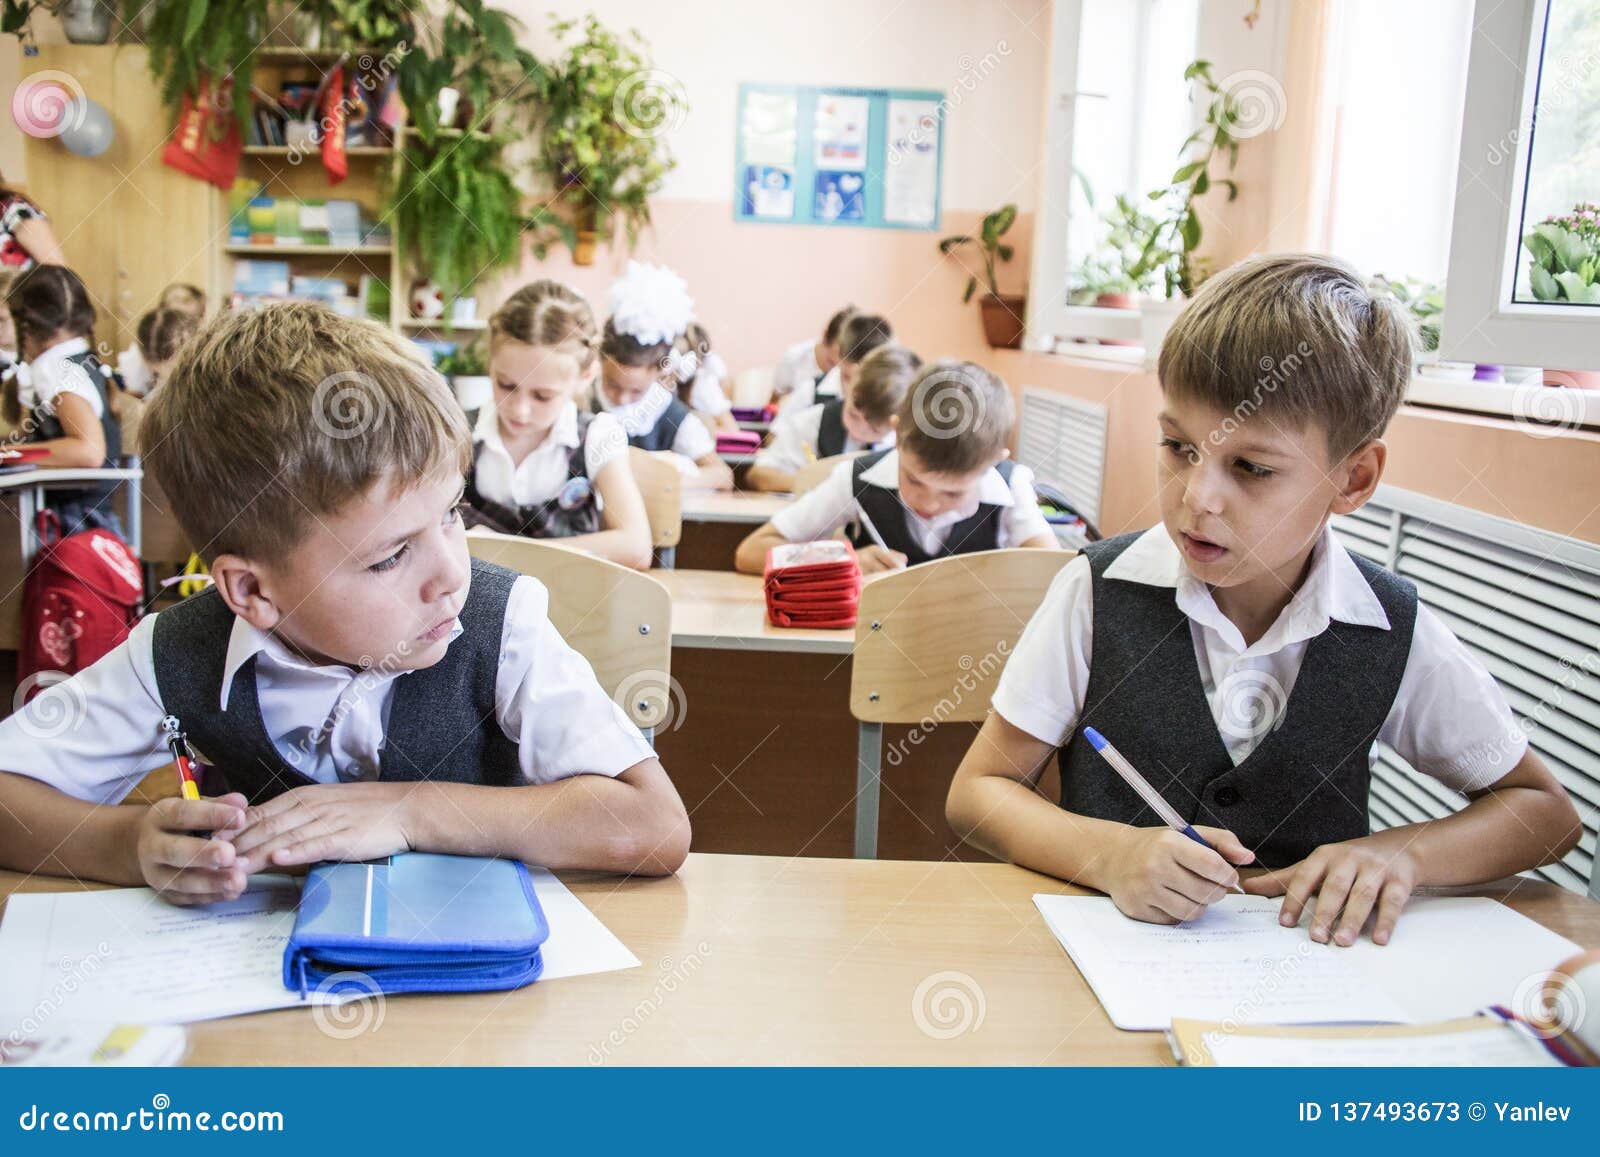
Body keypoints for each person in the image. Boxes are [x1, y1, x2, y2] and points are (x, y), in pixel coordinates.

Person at [945, 254, 1581, 946]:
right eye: (1178, 446)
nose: (1197, 497)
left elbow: (1545, 813)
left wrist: (1403, 855)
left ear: (1355, 478)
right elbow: (977, 793)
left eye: (1251, 467)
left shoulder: (1388, 623)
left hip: (1307, 998)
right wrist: (1105, 853)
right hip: (1101, 971)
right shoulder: (1096, 592)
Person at [0, 301, 692, 905]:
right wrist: (127, 844)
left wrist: (410, 810)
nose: (451, 571)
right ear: (251, 591)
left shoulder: (499, 623)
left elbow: (654, 824)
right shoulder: (180, 650)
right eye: (391, 556)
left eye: (450, 513)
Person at [736, 359, 1057, 573]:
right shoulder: (857, 479)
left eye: (954, 493)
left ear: (993, 461)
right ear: (896, 435)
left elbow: (1052, 576)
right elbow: (751, 551)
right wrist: (839, 559)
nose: (929, 503)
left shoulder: (1010, 487)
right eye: (914, 481)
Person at [463, 278, 652, 570]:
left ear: (585, 377)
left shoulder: (597, 435)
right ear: (490, 363)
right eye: (506, 385)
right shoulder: (459, 429)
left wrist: (517, 554)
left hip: (569, 607)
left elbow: (636, 547)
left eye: (543, 396)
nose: (520, 410)